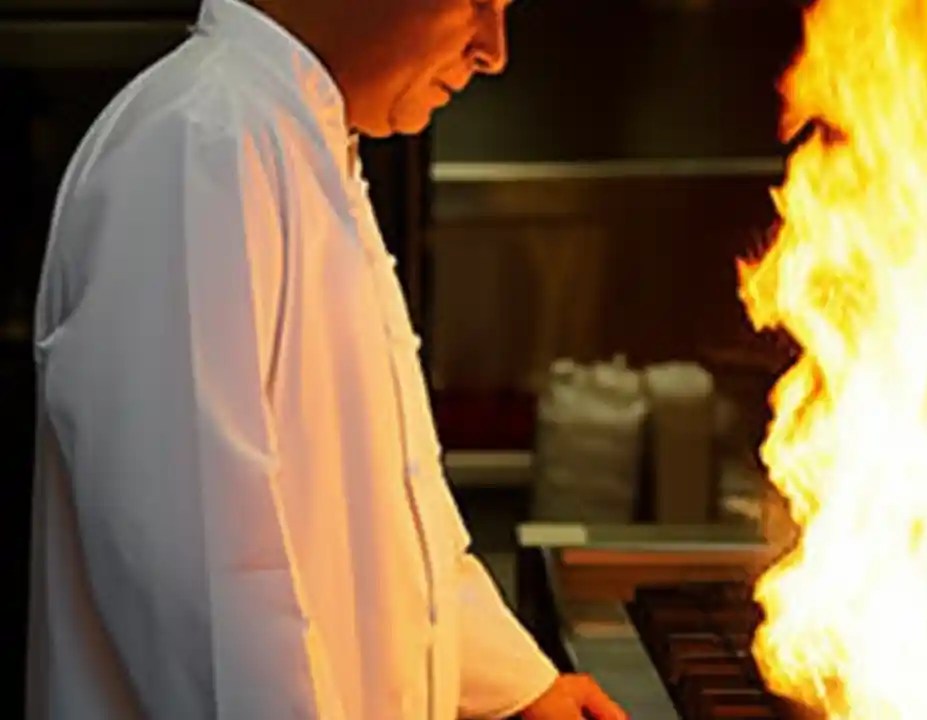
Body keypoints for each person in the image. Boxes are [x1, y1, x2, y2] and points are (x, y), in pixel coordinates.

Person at [25, 0, 627, 718]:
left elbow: (384, 518)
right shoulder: (202, 142)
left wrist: (521, 687)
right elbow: (205, 590)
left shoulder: (299, 141)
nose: (493, 50)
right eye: (477, 2)